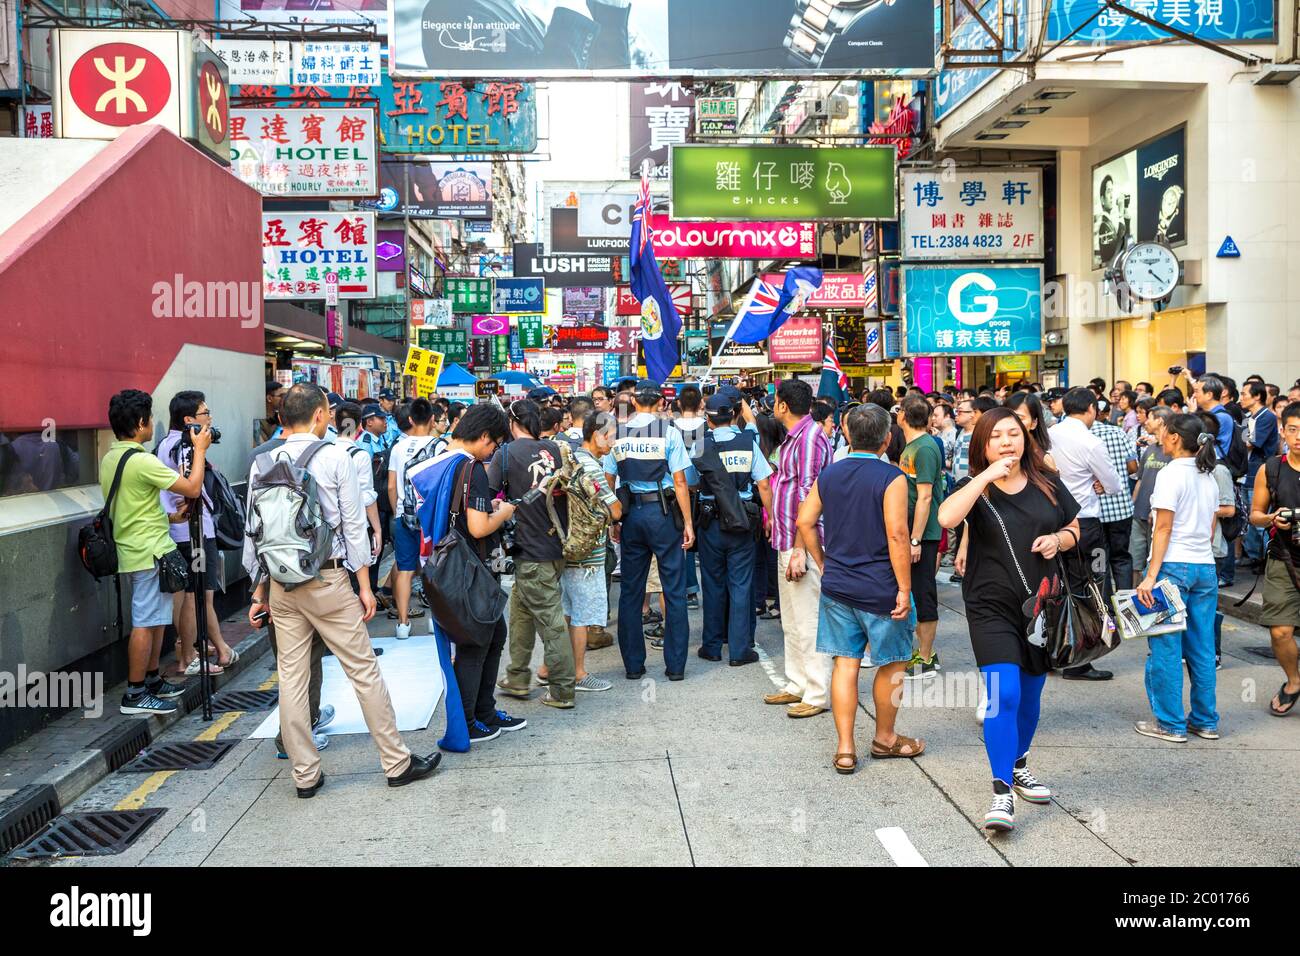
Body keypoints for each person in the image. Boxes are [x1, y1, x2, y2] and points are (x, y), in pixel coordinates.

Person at [244, 384, 440, 796]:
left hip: (281, 584)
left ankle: (305, 775)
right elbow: (354, 527)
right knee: (362, 670)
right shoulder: (335, 456)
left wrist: (258, 593)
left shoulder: (261, 461)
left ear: (282, 418)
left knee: (292, 678)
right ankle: (396, 762)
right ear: (318, 415)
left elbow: (255, 534)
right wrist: (365, 587)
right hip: (328, 579)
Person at [938, 407, 1081, 832]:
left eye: (1013, 434)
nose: (1007, 442)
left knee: (1032, 695)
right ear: (983, 444)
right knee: (1005, 694)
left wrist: (1059, 539)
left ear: (1026, 437)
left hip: (1041, 606)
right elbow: (946, 518)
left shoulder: (1046, 481)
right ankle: (1002, 795)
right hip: (990, 607)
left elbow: (1077, 528)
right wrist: (985, 476)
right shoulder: (974, 487)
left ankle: (1018, 764)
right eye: (996, 435)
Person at [798, 404, 923, 773]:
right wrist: (904, 587)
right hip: (881, 586)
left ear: (848, 435)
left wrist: (823, 563)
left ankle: (845, 748)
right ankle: (885, 738)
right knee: (893, 663)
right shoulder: (891, 477)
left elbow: (805, 521)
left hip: (838, 585)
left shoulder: (830, 474)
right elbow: (898, 535)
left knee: (845, 664)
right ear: (887, 439)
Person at [101, 389, 211, 715]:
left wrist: (172, 517)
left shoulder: (111, 458)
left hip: (140, 546)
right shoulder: (142, 460)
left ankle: (150, 680)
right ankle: (134, 694)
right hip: (147, 552)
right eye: (149, 418)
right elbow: (191, 487)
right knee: (146, 623)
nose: (152, 424)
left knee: (156, 619)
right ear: (140, 423)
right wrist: (200, 449)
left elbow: (132, 508)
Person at [429, 403, 528, 742]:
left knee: (492, 635)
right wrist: (504, 511)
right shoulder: (470, 468)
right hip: (470, 569)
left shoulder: (437, 456)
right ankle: (470, 721)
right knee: (477, 642)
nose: (495, 451)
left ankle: (483, 712)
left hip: (446, 568)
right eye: (495, 444)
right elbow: (479, 526)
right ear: (484, 436)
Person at [1134, 414, 1221, 744]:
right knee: (1202, 646)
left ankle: (1170, 723)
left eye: (1163, 432)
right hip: (1204, 567)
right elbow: (1210, 526)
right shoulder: (1208, 475)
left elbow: (1164, 528)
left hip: (1172, 567)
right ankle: (1205, 720)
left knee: (1166, 647)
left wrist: (1150, 575)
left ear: (1172, 438)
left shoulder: (1171, 475)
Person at [602, 381, 696, 681]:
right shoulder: (668, 433)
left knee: (630, 590)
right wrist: (688, 523)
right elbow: (680, 482)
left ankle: (633, 665)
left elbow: (608, 481)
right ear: (659, 403)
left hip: (631, 515)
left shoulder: (618, 434)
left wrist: (614, 520)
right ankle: (676, 667)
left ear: (634, 402)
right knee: (674, 589)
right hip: (663, 514)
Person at [491, 400, 577, 706]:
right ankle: (516, 677)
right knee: (521, 613)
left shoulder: (504, 454)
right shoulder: (555, 450)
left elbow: (489, 498)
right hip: (555, 547)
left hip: (530, 550)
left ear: (511, 422)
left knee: (551, 624)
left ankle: (563, 690)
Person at [764, 379, 834, 717]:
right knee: (791, 622)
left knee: (809, 621)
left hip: (803, 544)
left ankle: (817, 692)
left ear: (782, 406)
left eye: (775, 401)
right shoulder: (794, 439)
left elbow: (808, 499)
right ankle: (797, 683)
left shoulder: (808, 439)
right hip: (787, 541)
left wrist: (799, 549)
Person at [156, 390, 237, 675]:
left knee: (196, 595)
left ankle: (207, 648)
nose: (210, 418)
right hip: (192, 530)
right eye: (205, 413)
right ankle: (189, 655)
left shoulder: (166, 444)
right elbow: (191, 487)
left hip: (184, 529)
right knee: (197, 595)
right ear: (189, 420)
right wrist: (199, 451)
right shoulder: (184, 447)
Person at [1047, 387, 1124, 681]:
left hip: (1055, 522)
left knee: (1057, 587)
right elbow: (1114, 484)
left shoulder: (1051, 434)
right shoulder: (1091, 442)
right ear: (1092, 408)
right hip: (1087, 525)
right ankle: (1080, 659)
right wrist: (1099, 483)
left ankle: (1055, 652)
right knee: (1092, 587)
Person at [695, 393, 773, 667]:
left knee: (713, 584)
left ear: (708, 419)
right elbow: (763, 484)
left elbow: (692, 482)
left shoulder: (700, 446)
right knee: (741, 585)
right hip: (743, 522)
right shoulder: (748, 442)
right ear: (734, 415)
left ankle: (713, 646)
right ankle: (740, 649)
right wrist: (770, 517)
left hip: (710, 523)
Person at [1248, 401, 1300, 716]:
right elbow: (1254, 515)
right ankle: (1294, 681)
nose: (1299, 437)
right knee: (1280, 631)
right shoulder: (1272, 468)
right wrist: (1271, 519)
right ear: (1282, 431)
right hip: (1284, 559)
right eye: (1293, 429)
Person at [897, 396, 945, 681]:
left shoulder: (924, 448)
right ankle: (923, 653)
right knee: (915, 591)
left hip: (923, 535)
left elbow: (925, 496)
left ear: (903, 415)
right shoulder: (913, 446)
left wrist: (915, 540)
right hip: (914, 531)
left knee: (924, 592)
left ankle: (926, 658)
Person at [388, 398, 438, 640]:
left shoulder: (398, 447)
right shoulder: (440, 446)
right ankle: (434, 619)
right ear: (432, 419)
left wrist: (397, 510)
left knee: (405, 570)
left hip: (403, 516)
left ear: (409, 419)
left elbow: (390, 486)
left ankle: (403, 624)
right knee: (431, 568)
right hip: (430, 518)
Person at [1092, 400, 1139, 600]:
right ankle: (1124, 605)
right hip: (1121, 510)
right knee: (1121, 558)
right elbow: (1133, 467)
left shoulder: (1078, 437)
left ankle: (1105, 610)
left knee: (1098, 560)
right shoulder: (1118, 433)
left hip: (1093, 513)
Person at [1130, 406, 1174, 581]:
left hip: (1158, 516)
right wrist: (1132, 505)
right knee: (1135, 560)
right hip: (1138, 513)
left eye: (1149, 418)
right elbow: (1140, 479)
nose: (1145, 422)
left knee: (1153, 560)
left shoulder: (1173, 453)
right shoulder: (1150, 449)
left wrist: (1154, 509)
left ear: (1160, 421)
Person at [1241, 381, 1278, 570]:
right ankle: (1256, 557)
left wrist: (1238, 441)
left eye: (1244, 394)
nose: (1241, 398)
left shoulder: (1267, 417)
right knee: (1249, 518)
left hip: (1261, 471)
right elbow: (1243, 440)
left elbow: (1252, 442)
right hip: (1247, 472)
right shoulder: (1249, 416)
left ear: (1257, 396)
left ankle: (1268, 559)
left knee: (1260, 517)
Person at [1006, 391, 1055, 471]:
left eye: (1019, 418)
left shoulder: (1043, 461)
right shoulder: (995, 450)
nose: (1011, 422)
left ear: (1034, 423)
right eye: (1007, 416)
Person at [1193, 375, 1235, 461]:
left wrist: (1192, 414)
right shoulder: (1211, 414)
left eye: (1197, 391)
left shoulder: (1221, 417)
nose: (1194, 395)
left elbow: (1196, 438)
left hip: (1215, 464)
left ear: (1209, 395)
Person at [255, 380, 284, 447]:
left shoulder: (279, 418)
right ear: (269, 398)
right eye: (281, 396)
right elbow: (262, 446)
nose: (283, 399)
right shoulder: (259, 421)